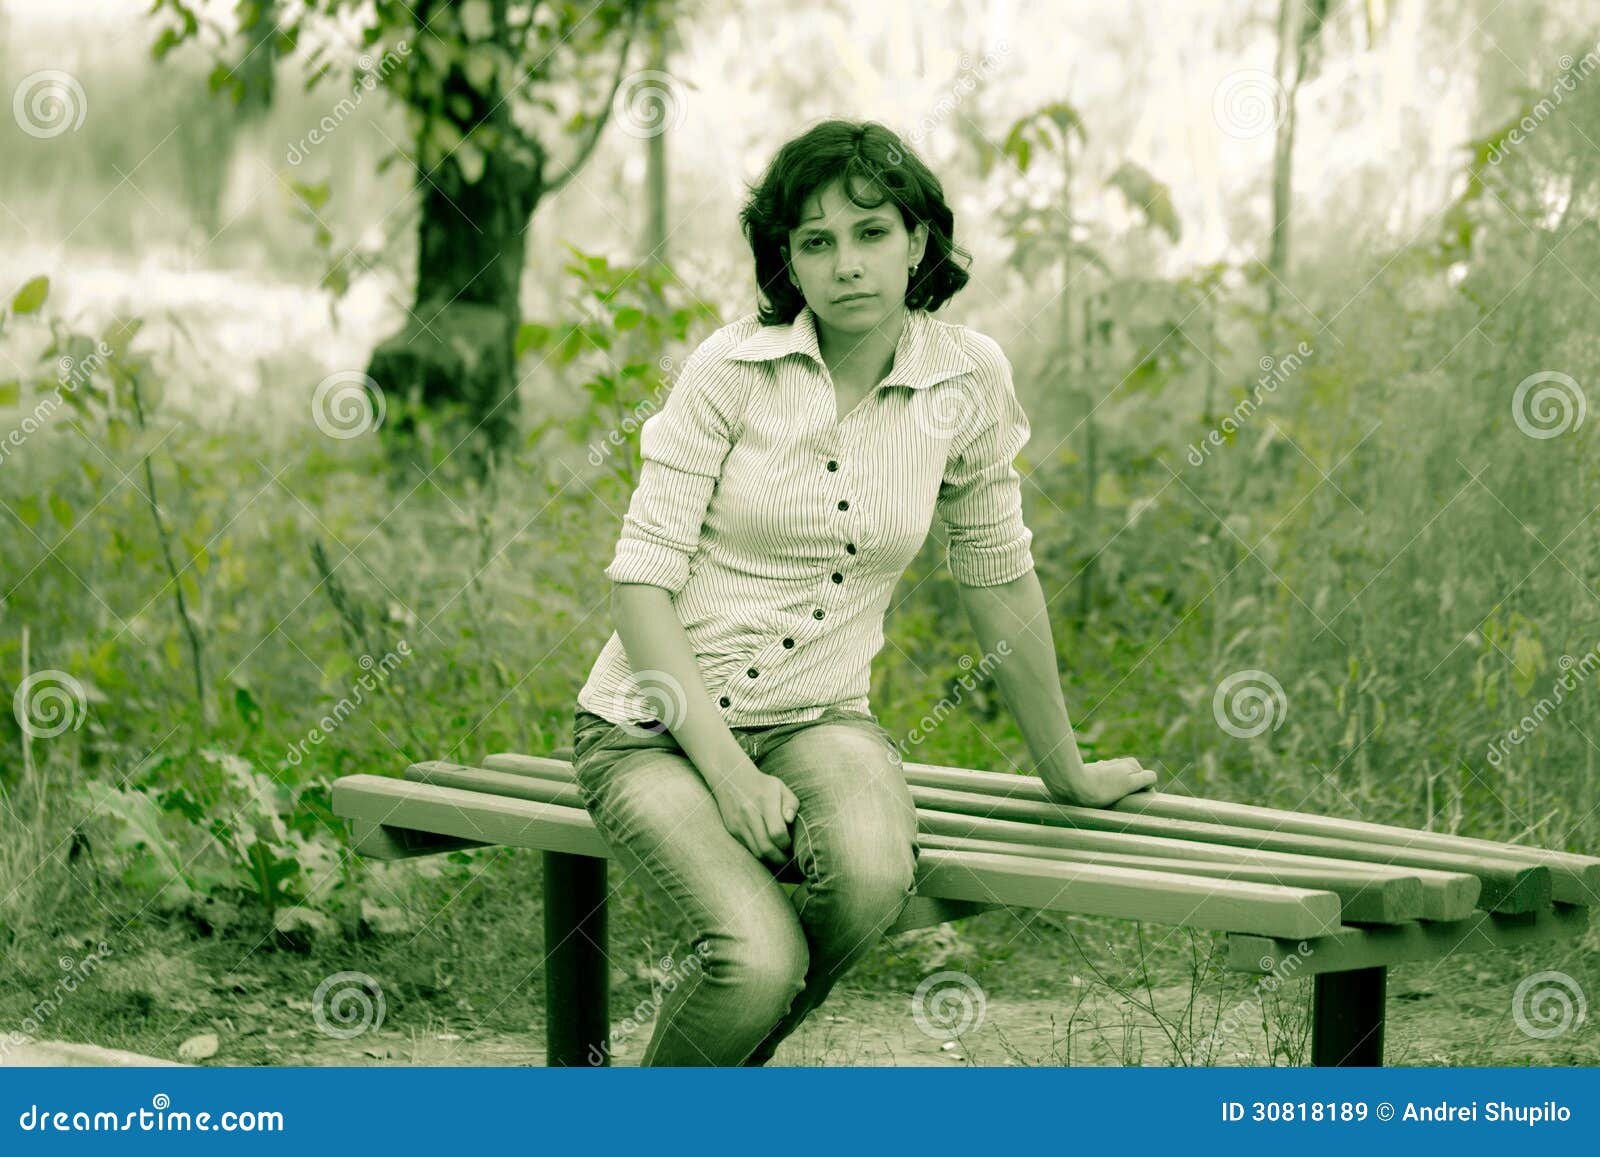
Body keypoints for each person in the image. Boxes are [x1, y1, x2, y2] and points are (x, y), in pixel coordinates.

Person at [570, 118, 1157, 1067]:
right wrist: (728, 774)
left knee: (874, 877)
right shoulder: (729, 373)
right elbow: (640, 586)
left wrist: (1068, 771)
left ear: (919, 240)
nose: (847, 263)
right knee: (756, 961)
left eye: (872, 231)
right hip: (650, 729)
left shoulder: (966, 379)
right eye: (816, 241)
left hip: (819, 720)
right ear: (788, 265)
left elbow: (999, 572)